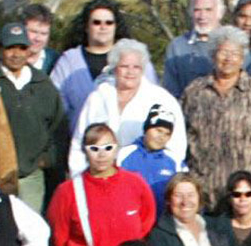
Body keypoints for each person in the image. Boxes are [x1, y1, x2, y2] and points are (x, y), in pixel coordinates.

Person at [49, 123, 158, 246]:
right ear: (84, 151)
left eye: (108, 147)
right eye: (94, 148)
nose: (101, 155)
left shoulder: (135, 183)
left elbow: (147, 221)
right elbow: (60, 237)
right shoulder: (67, 191)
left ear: (116, 149)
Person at [181, 27, 251, 201]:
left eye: (235, 53)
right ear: (213, 55)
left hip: (246, 195)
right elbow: (182, 138)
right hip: (203, 193)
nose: (228, 58)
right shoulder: (194, 92)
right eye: (223, 52)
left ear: (242, 58)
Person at [72, 40, 184, 178]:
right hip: (99, 179)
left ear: (143, 69)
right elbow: (79, 142)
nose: (130, 72)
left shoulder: (163, 99)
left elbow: (176, 147)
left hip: (147, 181)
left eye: (136, 67)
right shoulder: (98, 97)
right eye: (124, 66)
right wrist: (78, 180)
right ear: (114, 67)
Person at [0, 21, 65, 205]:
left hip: (32, 175)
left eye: (22, 48)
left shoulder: (43, 84)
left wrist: (46, 159)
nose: (16, 54)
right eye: (10, 48)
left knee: (32, 230)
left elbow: (58, 127)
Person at [50, 0, 149, 122]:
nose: (103, 27)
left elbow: (152, 97)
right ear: (86, 26)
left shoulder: (136, 56)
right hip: (82, 137)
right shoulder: (68, 61)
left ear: (116, 26)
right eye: (96, 22)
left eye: (109, 23)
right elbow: (55, 105)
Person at [163, 0, 228, 98]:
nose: (202, 16)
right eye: (197, 10)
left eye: (208, 10)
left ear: (220, 12)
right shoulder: (177, 47)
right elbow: (170, 93)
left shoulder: (233, 45)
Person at [120, 108, 183, 204]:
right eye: (158, 130)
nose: (161, 137)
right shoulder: (124, 154)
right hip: (132, 216)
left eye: (167, 134)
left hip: (162, 218)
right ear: (146, 129)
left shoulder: (175, 161)